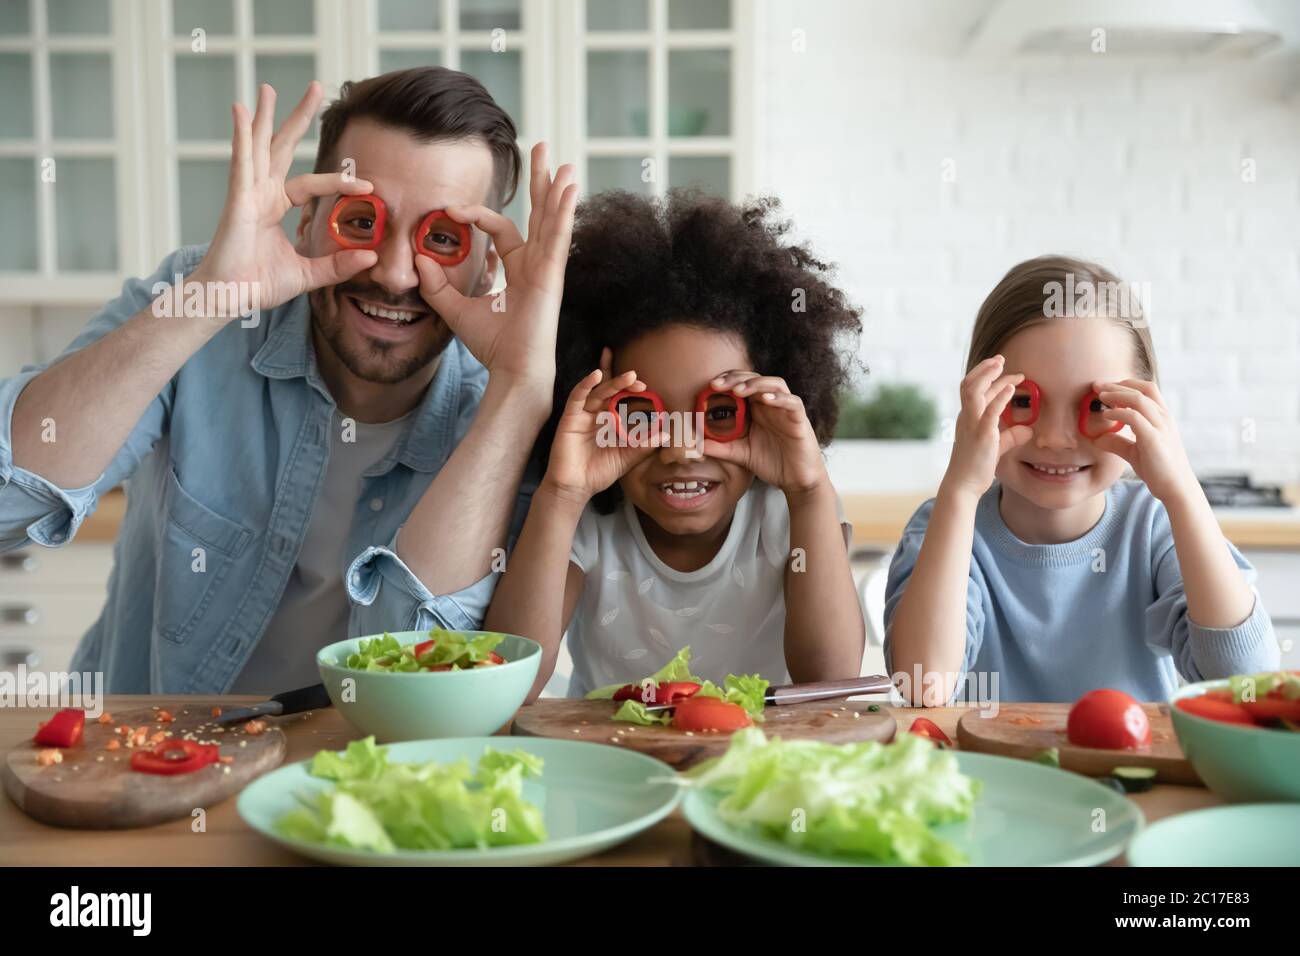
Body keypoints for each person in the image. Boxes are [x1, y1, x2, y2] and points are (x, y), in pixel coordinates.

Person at [0, 68, 576, 693]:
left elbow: (435, 680)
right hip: (147, 770)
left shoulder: (513, 409)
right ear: (306, 223)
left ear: (486, 269)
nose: (395, 274)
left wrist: (519, 389)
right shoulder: (203, 300)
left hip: (359, 780)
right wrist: (209, 300)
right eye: (362, 220)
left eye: (441, 238)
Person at [485, 190, 866, 699]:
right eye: (643, 415)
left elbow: (832, 681)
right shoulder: (586, 518)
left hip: (758, 763)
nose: (683, 449)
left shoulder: (790, 508)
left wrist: (809, 490)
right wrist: (561, 494)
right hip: (614, 762)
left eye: (719, 413)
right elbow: (511, 681)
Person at [884, 255, 1279, 704]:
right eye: (1022, 400)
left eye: (1095, 406)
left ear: (1146, 408)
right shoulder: (947, 526)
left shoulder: (1154, 527)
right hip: (989, 773)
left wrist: (1181, 491)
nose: (1055, 439)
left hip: (1135, 772)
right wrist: (960, 488)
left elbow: (1248, 682)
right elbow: (921, 685)